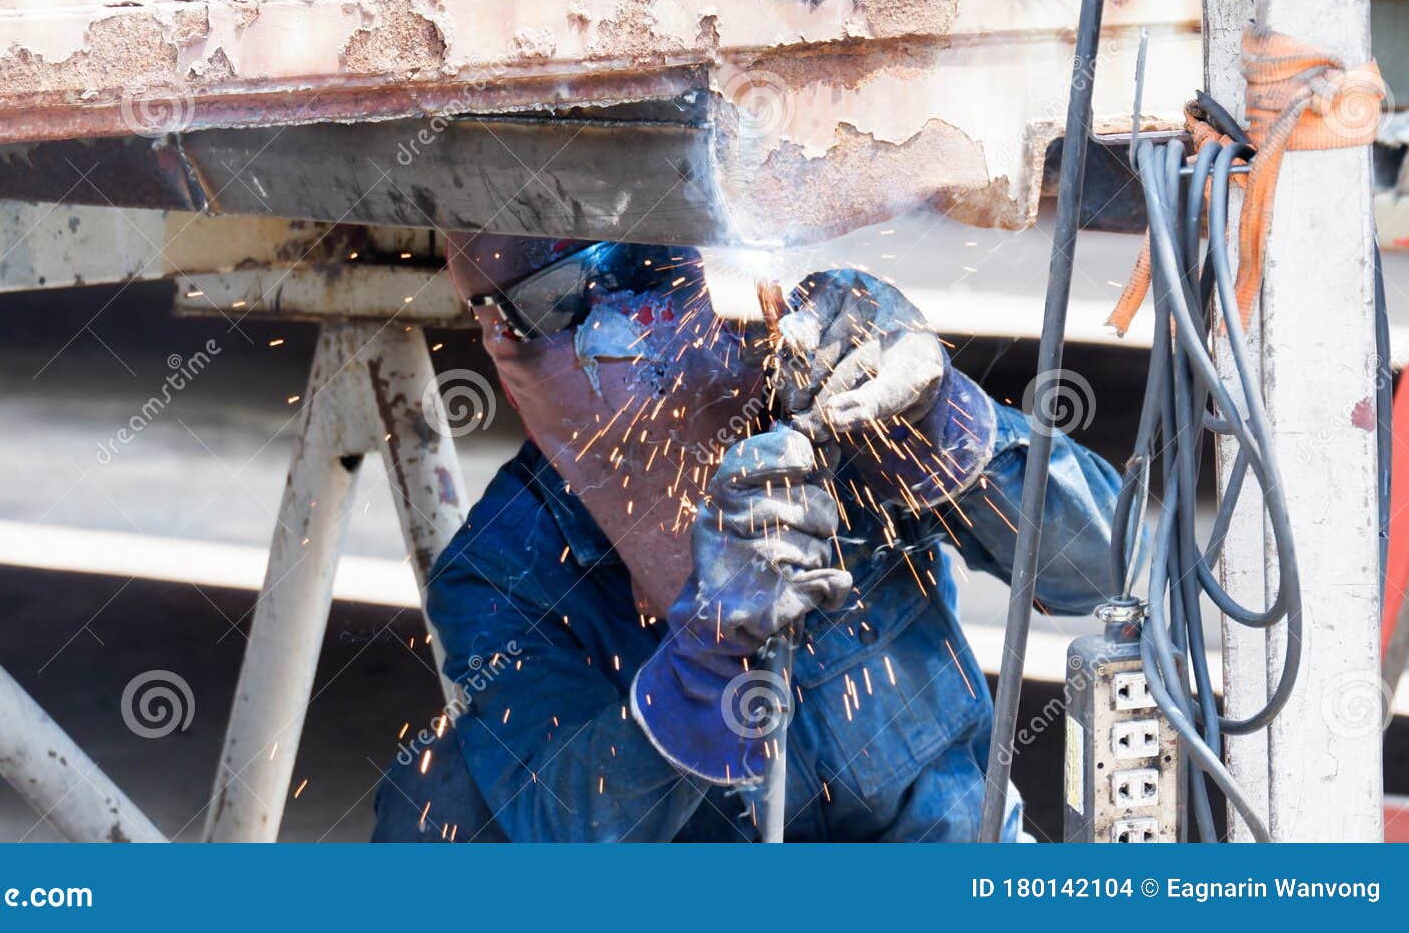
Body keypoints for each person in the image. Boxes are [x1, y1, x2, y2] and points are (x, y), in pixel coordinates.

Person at [372, 234, 1120, 842]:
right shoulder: (503, 569)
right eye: (559, 301)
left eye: (635, 268)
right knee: (438, 798)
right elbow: (571, 823)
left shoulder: (825, 397)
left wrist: (939, 419)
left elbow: (1098, 572)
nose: (622, 323)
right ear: (504, 350)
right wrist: (702, 654)